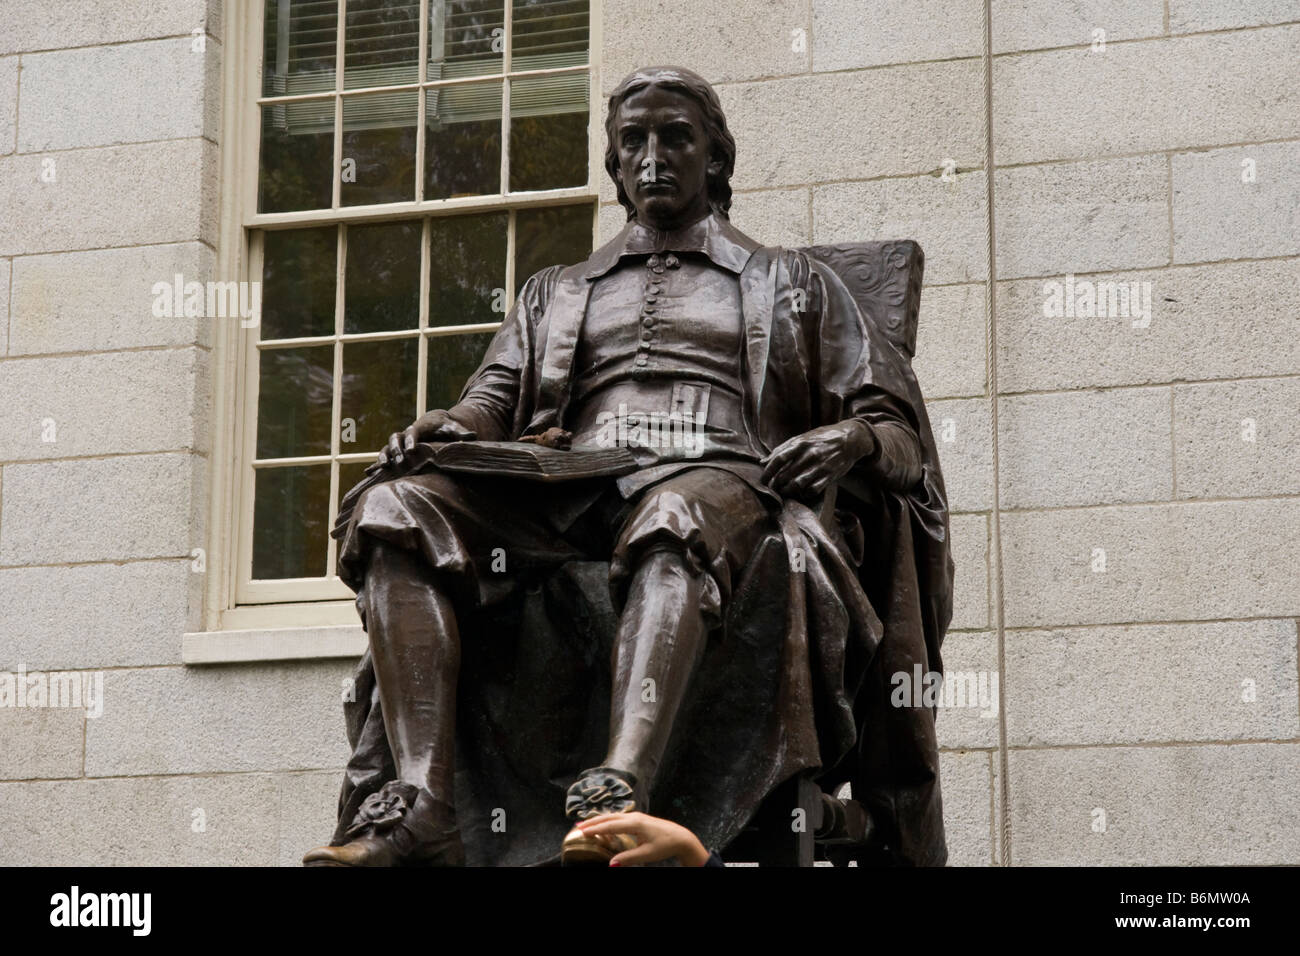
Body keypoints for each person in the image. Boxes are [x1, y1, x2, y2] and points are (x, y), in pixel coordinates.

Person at [303, 65, 952, 869]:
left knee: (671, 515)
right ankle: (422, 805)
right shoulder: (558, 292)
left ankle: (619, 791)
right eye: (632, 141)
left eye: (676, 137)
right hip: (573, 485)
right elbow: (492, 403)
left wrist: (847, 441)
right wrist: (449, 425)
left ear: (716, 161)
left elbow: (897, 431)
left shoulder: (793, 282)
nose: (652, 157)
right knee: (394, 509)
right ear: (613, 165)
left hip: (724, 475)